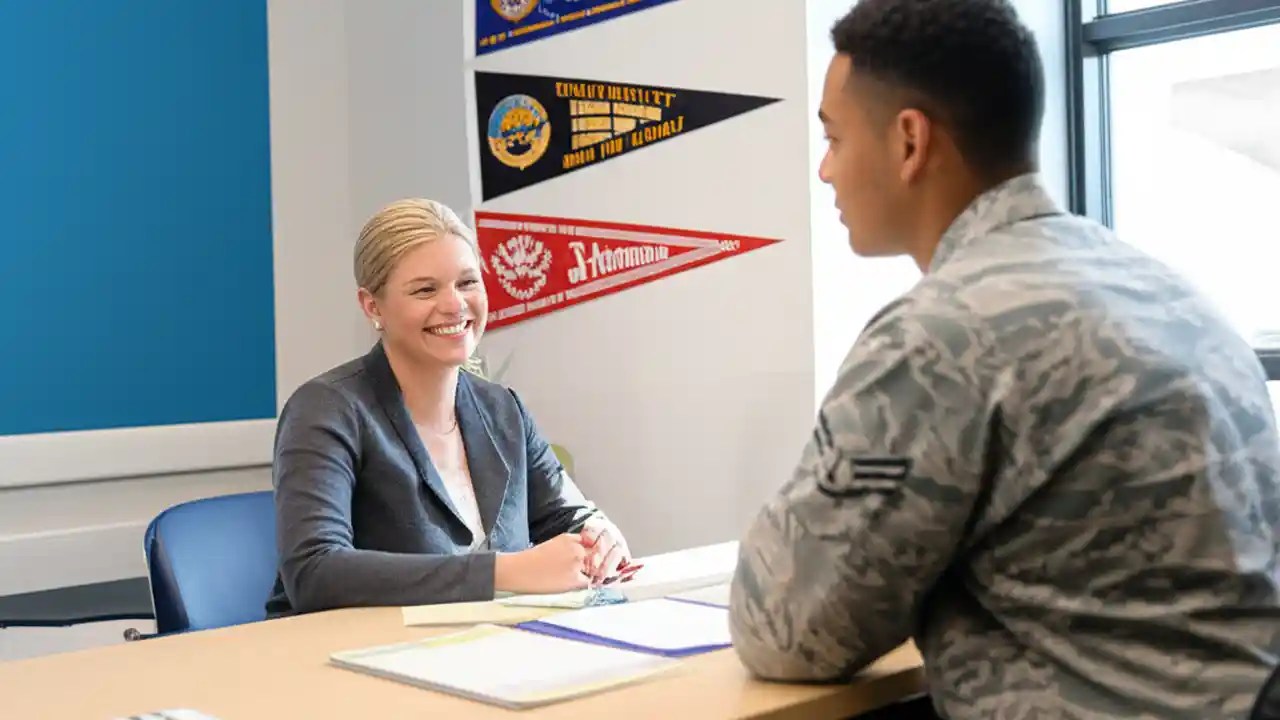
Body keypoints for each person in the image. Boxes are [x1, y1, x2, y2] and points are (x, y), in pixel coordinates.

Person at [727, 1, 1280, 718]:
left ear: (908, 141)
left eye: (833, 138)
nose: (826, 170)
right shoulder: (1167, 293)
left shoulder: (942, 336)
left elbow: (787, 628)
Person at [265, 198, 633, 616]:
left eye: (467, 282)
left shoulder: (502, 408)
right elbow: (314, 572)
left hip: (487, 650)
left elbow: (565, 514)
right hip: (348, 657)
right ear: (372, 306)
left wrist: (597, 534)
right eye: (425, 289)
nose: (455, 304)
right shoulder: (326, 409)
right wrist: (504, 572)